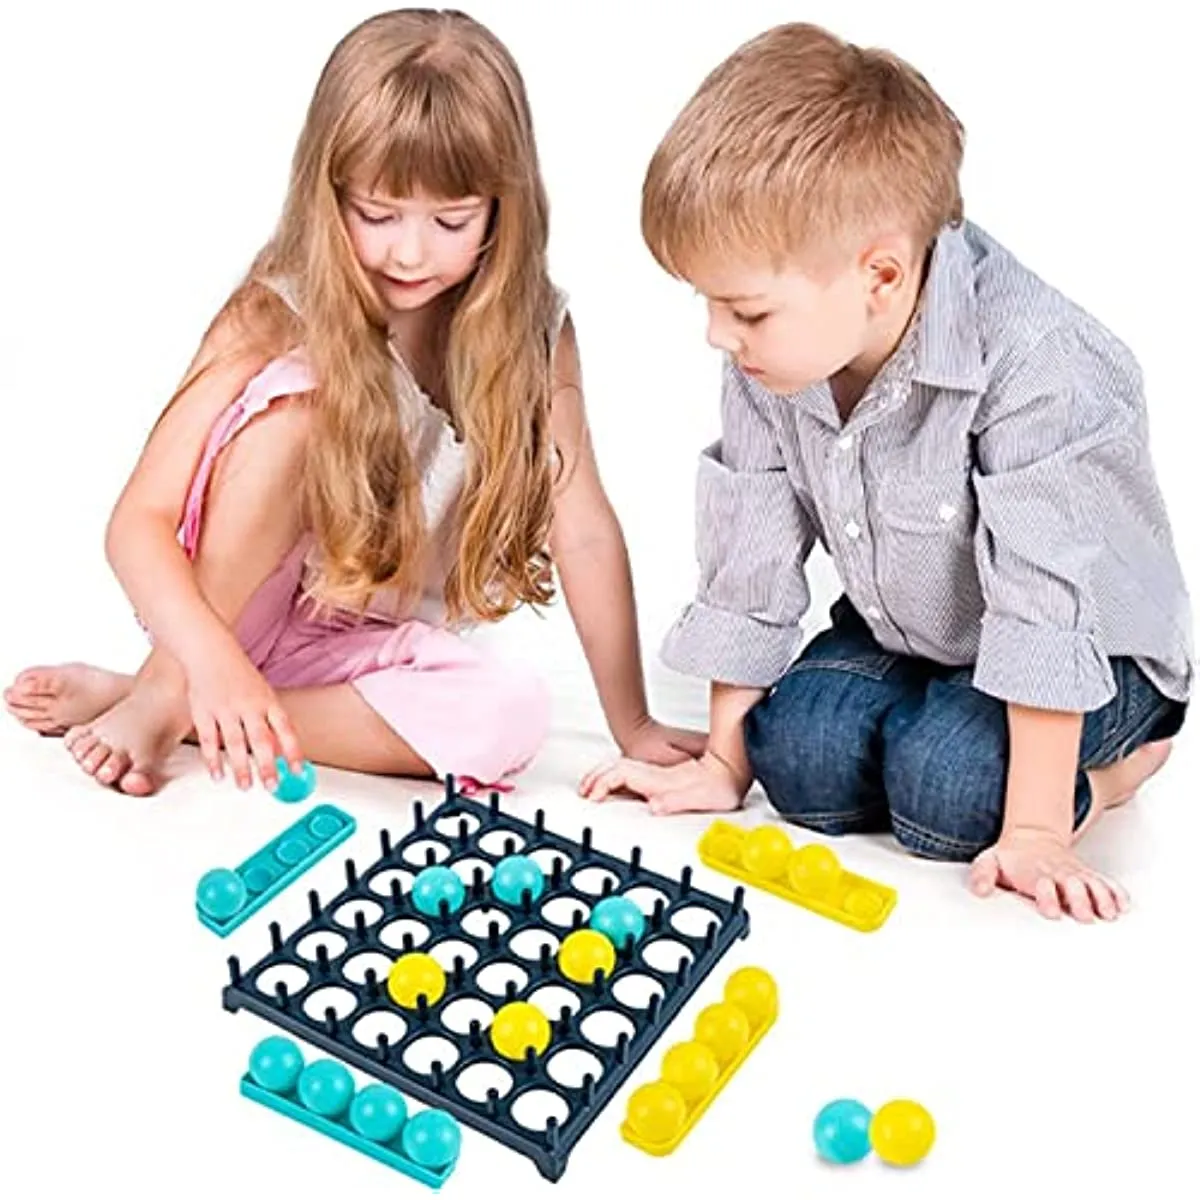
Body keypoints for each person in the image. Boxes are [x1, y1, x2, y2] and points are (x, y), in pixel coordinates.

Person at [580, 21, 1192, 922]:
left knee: (948, 794)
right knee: (794, 761)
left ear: (880, 273)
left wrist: (1035, 832)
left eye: (744, 308)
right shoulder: (775, 355)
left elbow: (1042, 601)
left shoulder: (1040, 364)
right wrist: (722, 762)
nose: (718, 334)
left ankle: (1123, 767)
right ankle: (924, 715)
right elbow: (751, 551)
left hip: (1088, 649)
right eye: (709, 303)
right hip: (915, 629)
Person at [5, 8, 702, 797]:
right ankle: (171, 687)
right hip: (229, 614)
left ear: (504, 211)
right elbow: (137, 524)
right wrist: (206, 658)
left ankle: (194, 711)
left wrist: (634, 725)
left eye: (451, 220)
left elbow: (583, 533)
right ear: (327, 194)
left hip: (361, 647)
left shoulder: (535, 332)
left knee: (509, 717)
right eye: (377, 215)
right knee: (298, 411)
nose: (410, 251)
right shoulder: (279, 308)